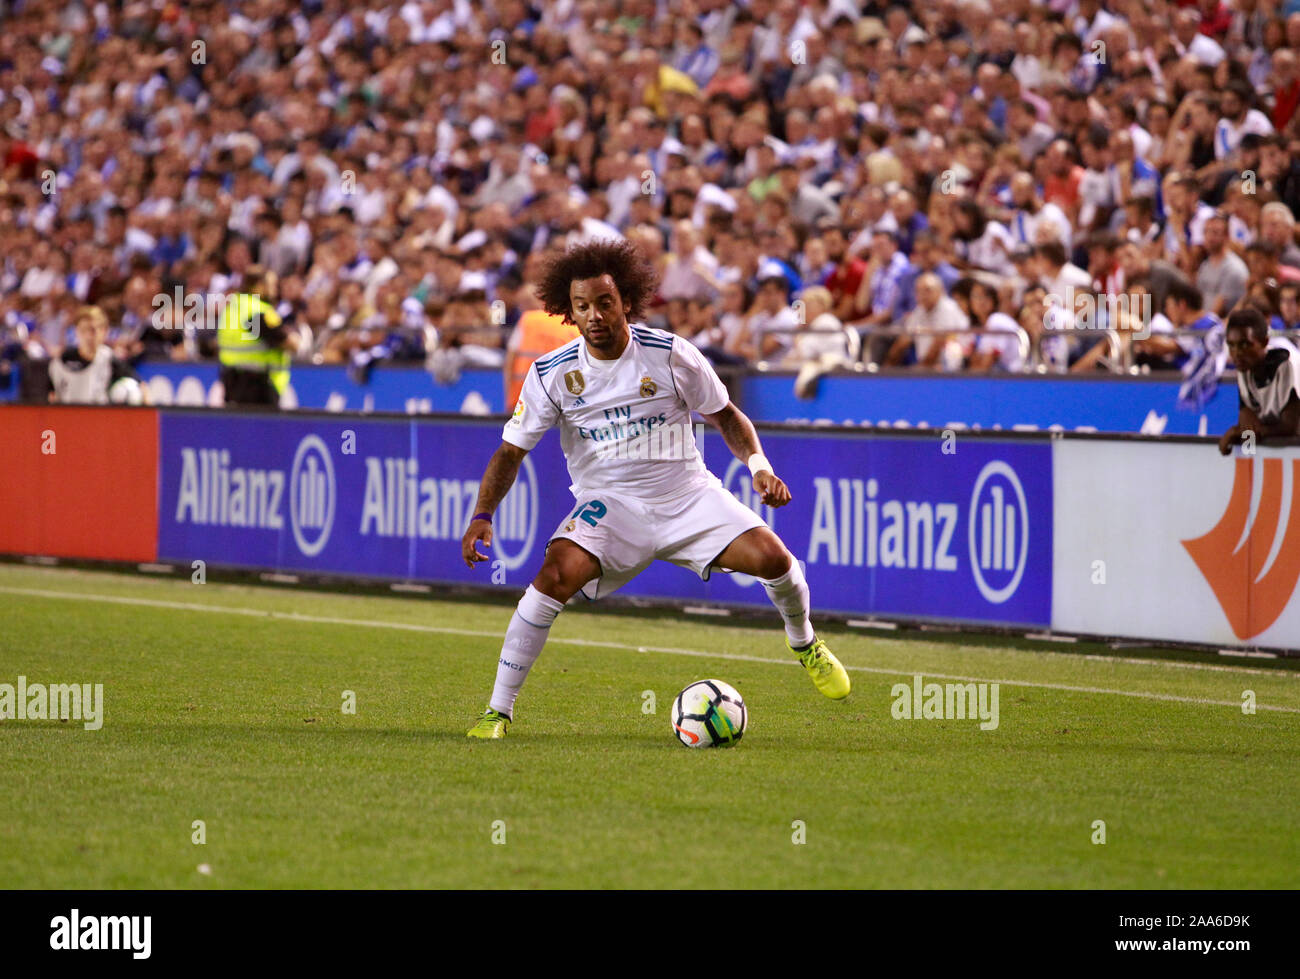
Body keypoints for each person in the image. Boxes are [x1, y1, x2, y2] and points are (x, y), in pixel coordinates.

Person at [460, 240, 850, 738]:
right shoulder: (551, 375)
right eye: (582, 306)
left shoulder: (669, 354)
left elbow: (726, 415)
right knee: (554, 576)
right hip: (611, 506)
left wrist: (757, 466)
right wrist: (482, 515)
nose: (595, 314)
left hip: (687, 495)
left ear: (625, 300)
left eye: (605, 302)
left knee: (775, 560)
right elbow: (510, 452)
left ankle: (806, 644)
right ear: (569, 311)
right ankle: (498, 711)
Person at [1218, 307, 1300, 453]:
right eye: (1231, 345)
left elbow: (1290, 426)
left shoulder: (1287, 366)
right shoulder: (1244, 370)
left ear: (1264, 342)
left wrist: (1237, 432)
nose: (1237, 353)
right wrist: (1241, 434)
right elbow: (1248, 428)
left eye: (1244, 345)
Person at [216, 265, 298, 407]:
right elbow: (290, 343)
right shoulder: (258, 312)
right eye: (271, 285)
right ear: (259, 286)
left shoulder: (233, 307)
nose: (275, 290)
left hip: (231, 381)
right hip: (258, 386)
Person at [48, 305, 146, 405]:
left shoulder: (108, 359)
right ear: (76, 331)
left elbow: (140, 385)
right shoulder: (61, 361)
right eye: (84, 329)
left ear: (104, 331)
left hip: (98, 416)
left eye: (94, 330)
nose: (89, 336)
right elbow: (49, 395)